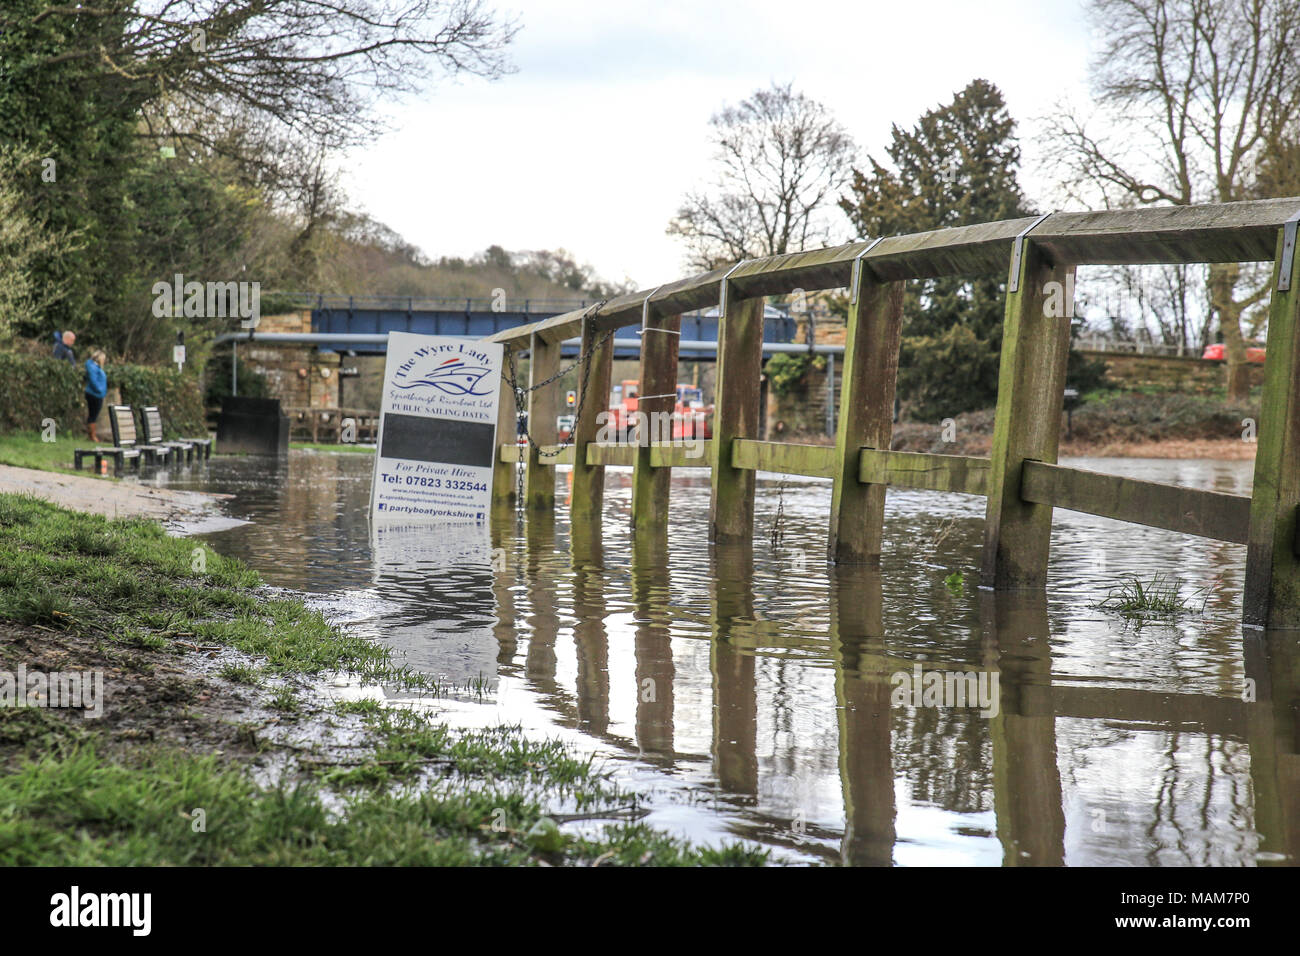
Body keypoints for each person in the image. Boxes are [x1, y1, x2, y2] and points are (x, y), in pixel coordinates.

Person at [85, 350, 107, 443]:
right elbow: (93, 381)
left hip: (96, 393)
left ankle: (91, 435)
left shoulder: (95, 367)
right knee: (93, 415)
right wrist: (99, 390)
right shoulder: (93, 367)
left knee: (93, 415)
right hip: (95, 394)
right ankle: (93, 436)